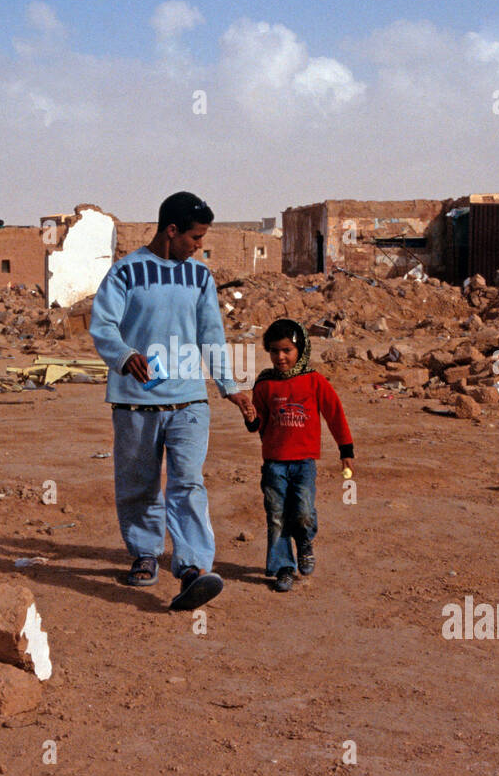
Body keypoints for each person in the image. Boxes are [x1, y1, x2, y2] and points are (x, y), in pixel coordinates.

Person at [89, 191, 255, 611]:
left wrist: (229, 385)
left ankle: (193, 569)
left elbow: (211, 335)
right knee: (139, 485)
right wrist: (125, 356)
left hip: (189, 402)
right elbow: (103, 324)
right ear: (171, 230)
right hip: (135, 402)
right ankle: (145, 554)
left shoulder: (200, 277)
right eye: (195, 237)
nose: (200, 245)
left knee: (187, 485)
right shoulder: (126, 273)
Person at [245, 318, 355, 592]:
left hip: (304, 463)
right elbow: (258, 424)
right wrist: (250, 418)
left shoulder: (314, 381)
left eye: (286, 350)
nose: (280, 357)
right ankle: (283, 567)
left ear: (301, 349)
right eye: (273, 351)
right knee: (277, 516)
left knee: (303, 513)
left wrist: (346, 449)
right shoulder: (265, 384)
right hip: (274, 464)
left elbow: (335, 414)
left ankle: (305, 542)